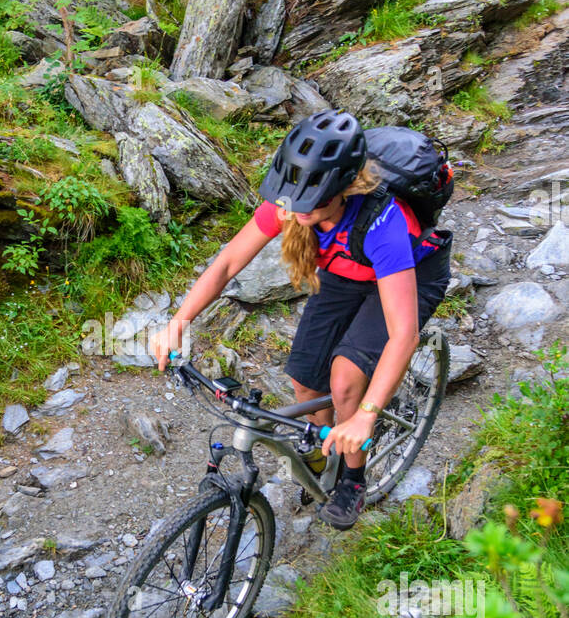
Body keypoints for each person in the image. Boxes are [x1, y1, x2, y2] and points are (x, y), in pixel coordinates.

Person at [149, 109, 452, 529]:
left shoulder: (382, 222)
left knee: (346, 380)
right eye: (295, 197)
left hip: (411, 273)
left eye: (312, 200)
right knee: (305, 378)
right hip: (347, 272)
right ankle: (319, 447)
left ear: (344, 187)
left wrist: (365, 415)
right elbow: (228, 263)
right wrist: (179, 321)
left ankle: (353, 478)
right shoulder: (292, 202)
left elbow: (403, 334)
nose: (297, 209)